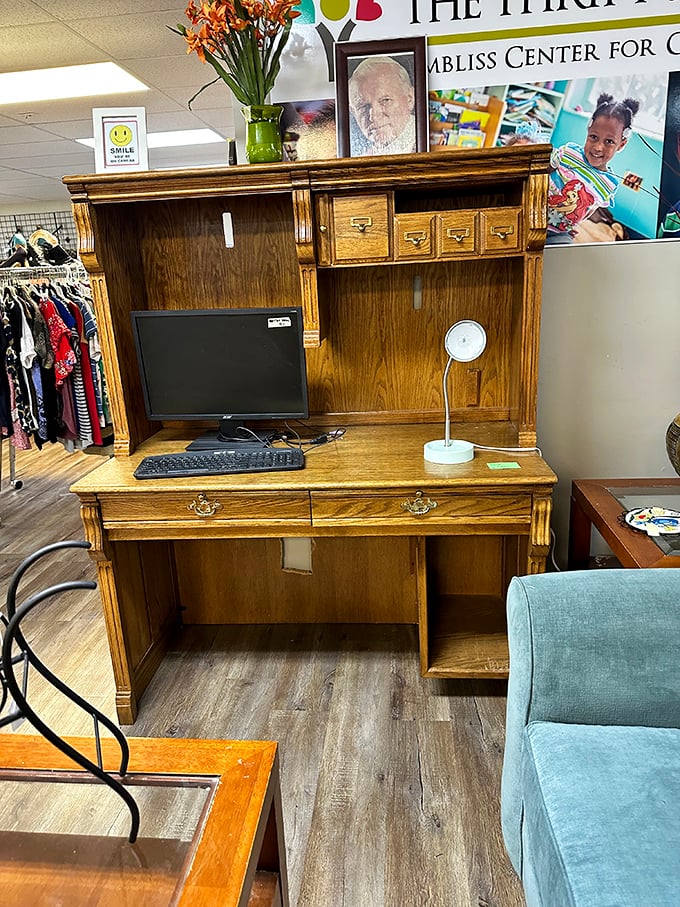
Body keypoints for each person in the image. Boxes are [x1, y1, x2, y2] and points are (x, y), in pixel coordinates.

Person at [546, 92, 639, 244]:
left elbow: (589, 210)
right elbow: (544, 171)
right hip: (534, 214)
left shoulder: (609, 184)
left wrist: (575, 225)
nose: (598, 147)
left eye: (609, 141)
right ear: (588, 130)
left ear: (621, 144)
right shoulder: (569, 152)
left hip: (560, 232)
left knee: (561, 257)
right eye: (594, 137)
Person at [348, 55, 416, 156]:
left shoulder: (433, 142)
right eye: (363, 107)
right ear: (353, 111)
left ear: (410, 98)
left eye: (385, 100)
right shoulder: (361, 155)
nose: (374, 117)